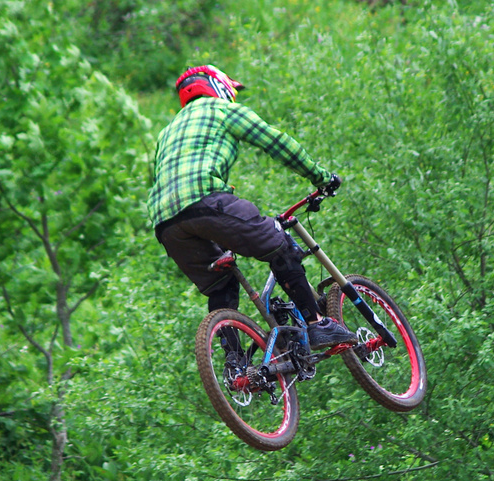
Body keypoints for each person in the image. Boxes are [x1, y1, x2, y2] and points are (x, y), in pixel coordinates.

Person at [148, 64, 356, 351]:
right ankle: (317, 323)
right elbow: (275, 142)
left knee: (221, 284)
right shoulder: (222, 110)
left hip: (165, 223)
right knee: (280, 244)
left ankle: (235, 367)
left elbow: (163, 181)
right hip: (206, 200)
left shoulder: (166, 134)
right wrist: (321, 177)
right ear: (218, 86)